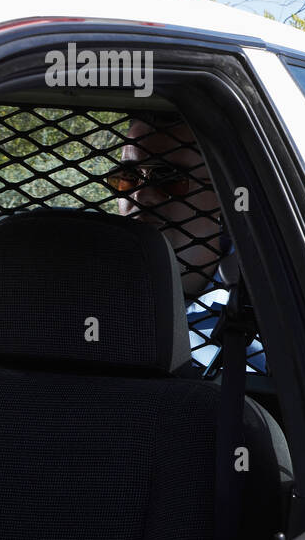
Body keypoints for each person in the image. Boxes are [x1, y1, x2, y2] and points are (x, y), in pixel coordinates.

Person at [110, 114, 265, 373]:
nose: (141, 195)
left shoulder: (270, 323)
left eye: (169, 178)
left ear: (223, 195)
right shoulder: (74, 297)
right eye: (128, 176)